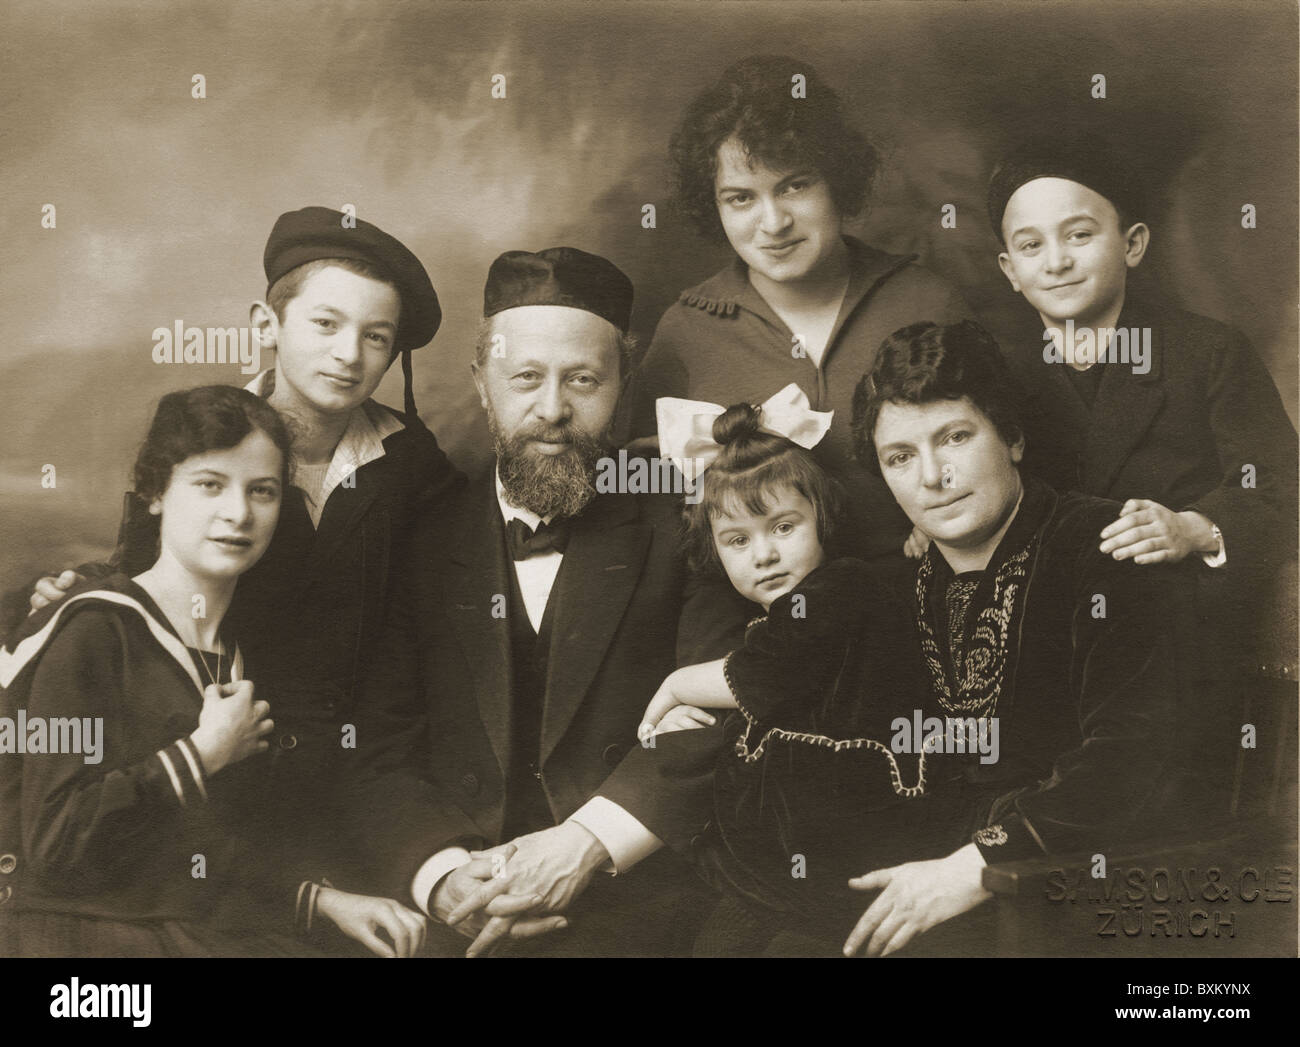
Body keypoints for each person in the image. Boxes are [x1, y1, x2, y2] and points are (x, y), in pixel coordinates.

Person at [14, 207, 465, 893]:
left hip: (357, 764)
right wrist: (69, 591)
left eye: (377, 337)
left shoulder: (410, 463)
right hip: (219, 755)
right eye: (325, 323)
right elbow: (143, 579)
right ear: (266, 327)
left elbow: (436, 604)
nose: (349, 354)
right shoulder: (203, 435)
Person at [345, 247, 748, 957]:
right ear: (482, 384)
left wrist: (586, 841)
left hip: (644, 895)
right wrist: (443, 878)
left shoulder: (689, 518)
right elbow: (379, 750)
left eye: (583, 379)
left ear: (623, 386)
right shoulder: (422, 538)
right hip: (464, 901)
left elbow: (722, 709)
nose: (553, 409)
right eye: (525, 378)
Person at [0, 386, 426, 958]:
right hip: (74, 936)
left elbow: (197, 856)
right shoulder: (93, 631)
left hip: (185, 923)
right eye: (209, 484)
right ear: (155, 492)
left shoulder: (238, 650)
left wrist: (321, 901)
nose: (238, 513)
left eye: (263, 491)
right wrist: (201, 754)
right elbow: (55, 846)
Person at [823, 319, 1190, 958]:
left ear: (1013, 438)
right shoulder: (896, 581)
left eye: (956, 437)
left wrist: (977, 865)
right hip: (918, 878)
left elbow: (1138, 755)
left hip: (1081, 893)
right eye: (900, 457)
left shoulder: (1106, 546)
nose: (932, 477)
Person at [987, 137, 1298, 798]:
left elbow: (1283, 488)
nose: (1058, 261)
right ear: (1010, 269)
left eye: (1079, 234)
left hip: (1177, 651)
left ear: (1131, 244)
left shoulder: (1206, 352)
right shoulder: (998, 373)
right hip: (1035, 647)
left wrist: (1195, 527)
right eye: (1032, 246)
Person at [639, 392, 947, 956]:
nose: (764, 555)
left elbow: (765, 676)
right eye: (738, 540)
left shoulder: (843, 587)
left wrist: (675, 686)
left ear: (822, 520)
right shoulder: (774, 618)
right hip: (767, 873)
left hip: (848, 867)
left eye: (783, 527)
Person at [632, 54, 970, 560]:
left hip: (925, 604)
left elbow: (1002, 460)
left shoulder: (927, 300)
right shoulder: (685, 329)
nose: (773, 222)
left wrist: (954, 526)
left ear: (838, 180)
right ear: (714, 206)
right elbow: (650, 507)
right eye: (741, 198)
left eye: (794, 185)